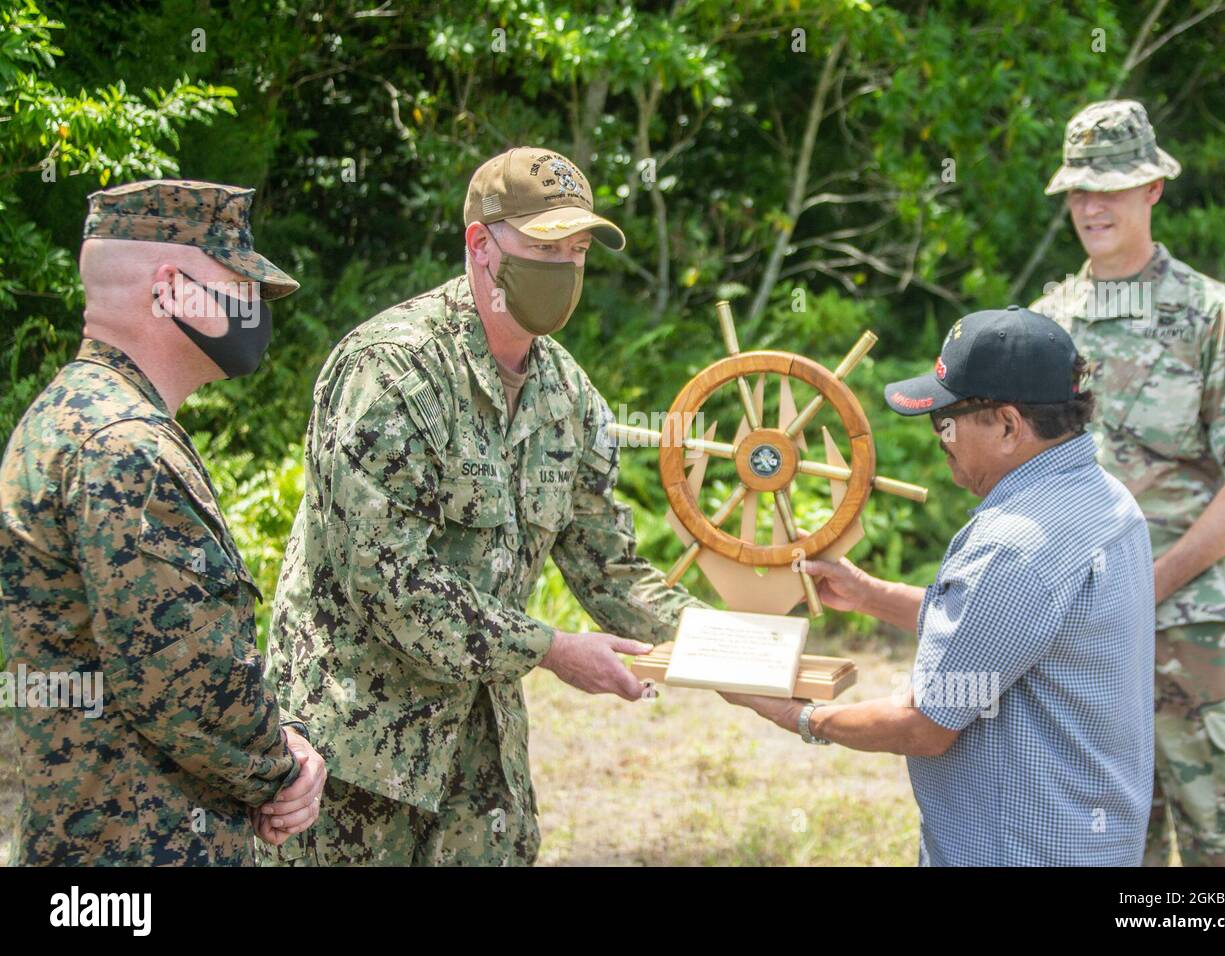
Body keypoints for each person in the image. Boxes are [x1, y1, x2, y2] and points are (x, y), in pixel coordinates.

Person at [262, 147, 702, 866]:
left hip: (480, 765)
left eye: (578, 250)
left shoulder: (566, 392)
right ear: (479, 243)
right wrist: (552, 650)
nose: (563, 267)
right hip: (354, 768)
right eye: (543, 246)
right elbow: (388, 585)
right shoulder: (392, 370)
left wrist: (725, 655)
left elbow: (608, 565)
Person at [723, 307, 1155, 866]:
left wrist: (795, 714)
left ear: (1007, 424)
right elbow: (1009, 630)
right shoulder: (1106, 502)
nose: (939, 438)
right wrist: (869, 593)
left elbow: (925, 727)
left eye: (946, 420)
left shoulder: (1013, 545)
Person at [0, 180, 326, 865]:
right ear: (173, 288)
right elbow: (185, 683)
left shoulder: (68, 414)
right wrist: (287, 767)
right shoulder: (125, 446)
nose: (256, 308)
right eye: (239, 284)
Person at [1030, 100, 1225, 866]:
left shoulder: (1213, 315)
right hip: (1080, 634)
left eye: (1111, 187)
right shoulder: (1046, 326)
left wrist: (1146, 583)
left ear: (1153, 191)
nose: (1092, 205)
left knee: (1224, 849)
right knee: (1103, 846)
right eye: (1079, 189)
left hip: (1191, 633)